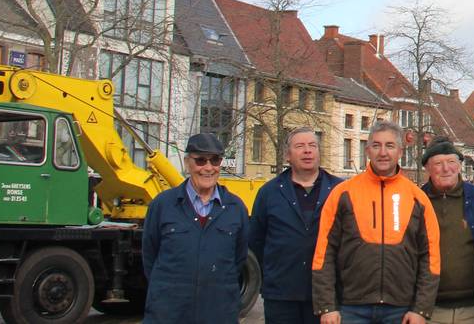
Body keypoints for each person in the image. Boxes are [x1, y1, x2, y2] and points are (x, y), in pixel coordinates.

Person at [313, 121, 441, 324]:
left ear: (400, 151)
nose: (383, 152)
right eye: (376, 145)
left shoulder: (417, 198)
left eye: (389, 146)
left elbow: (430, 257)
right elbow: (324, 253)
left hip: (401, 309)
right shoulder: (343, 194)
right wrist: (326, 306)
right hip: (351, 308)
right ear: (368, 150)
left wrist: (421, 309)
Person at [141, 132, 249, 324]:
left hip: (218, 313)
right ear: (187, 163)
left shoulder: (235, 208)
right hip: (169, 313)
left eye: (215, 161)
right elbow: (150, 255)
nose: (208, 168)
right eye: (200, 160)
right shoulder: (163, 205)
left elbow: (238, 259)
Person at [249, 127, 344, 324]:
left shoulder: (339, 191)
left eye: (312, 146)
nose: (307, 151)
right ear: (287, 155)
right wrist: (270, 278)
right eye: (300, 146)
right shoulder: (269, 192)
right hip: (281, 296)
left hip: (326, 297)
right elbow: (256, 241)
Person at [421, 137, 474, 324]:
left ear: (459, 165)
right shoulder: (416, 201)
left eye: (451, 162)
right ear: (427, 168)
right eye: (438, 164)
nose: (446, 169)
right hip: (430, 309)